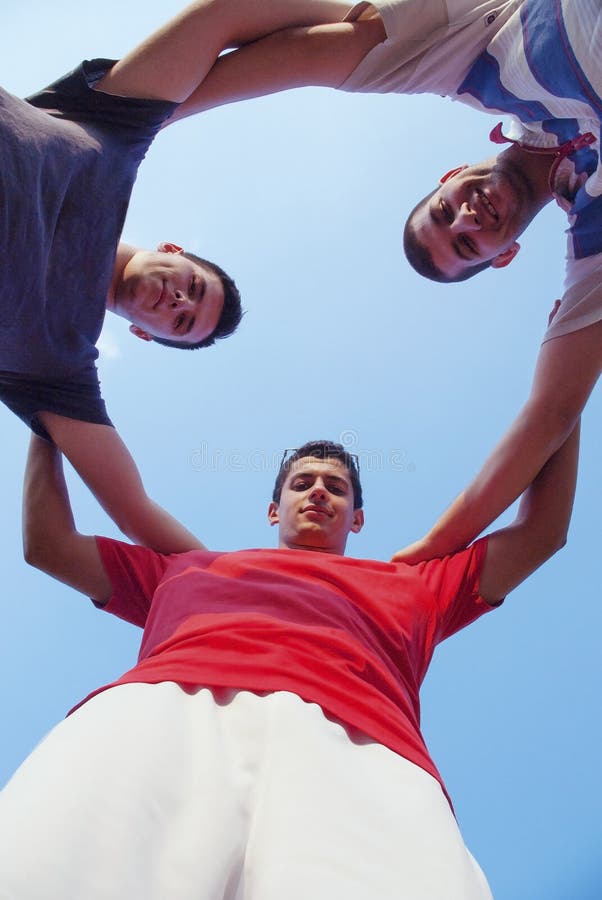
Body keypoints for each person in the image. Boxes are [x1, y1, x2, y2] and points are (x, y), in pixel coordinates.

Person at [0, 429, 579, 898]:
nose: (319, 492)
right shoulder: (189, 567)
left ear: (356, 519)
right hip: (163, 713)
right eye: (303, 483)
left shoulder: (416, 583)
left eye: (336, 486)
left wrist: (571, 382)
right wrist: (45, 413)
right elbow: (48, 544)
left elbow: (542, 533)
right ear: (275, 509)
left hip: (365, 750)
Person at [166, 0, 602, 560]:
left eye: (444, 213)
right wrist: (425, 553)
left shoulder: (476, 56)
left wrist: (143, 118)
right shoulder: (594, 239)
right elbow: (553, 412)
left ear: (449, 177)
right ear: (505, 256)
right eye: (467, 243)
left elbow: (309, 47)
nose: (466, 217)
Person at [0, 0, 360, 556]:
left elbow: (133, 509)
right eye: (192, 285)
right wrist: (374, 22)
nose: (175, 298)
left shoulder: (60, 368)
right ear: (175, 249)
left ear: (147, 335)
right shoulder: (115, 137)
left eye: (181, 320)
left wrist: (243, 589)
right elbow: (225, 16)